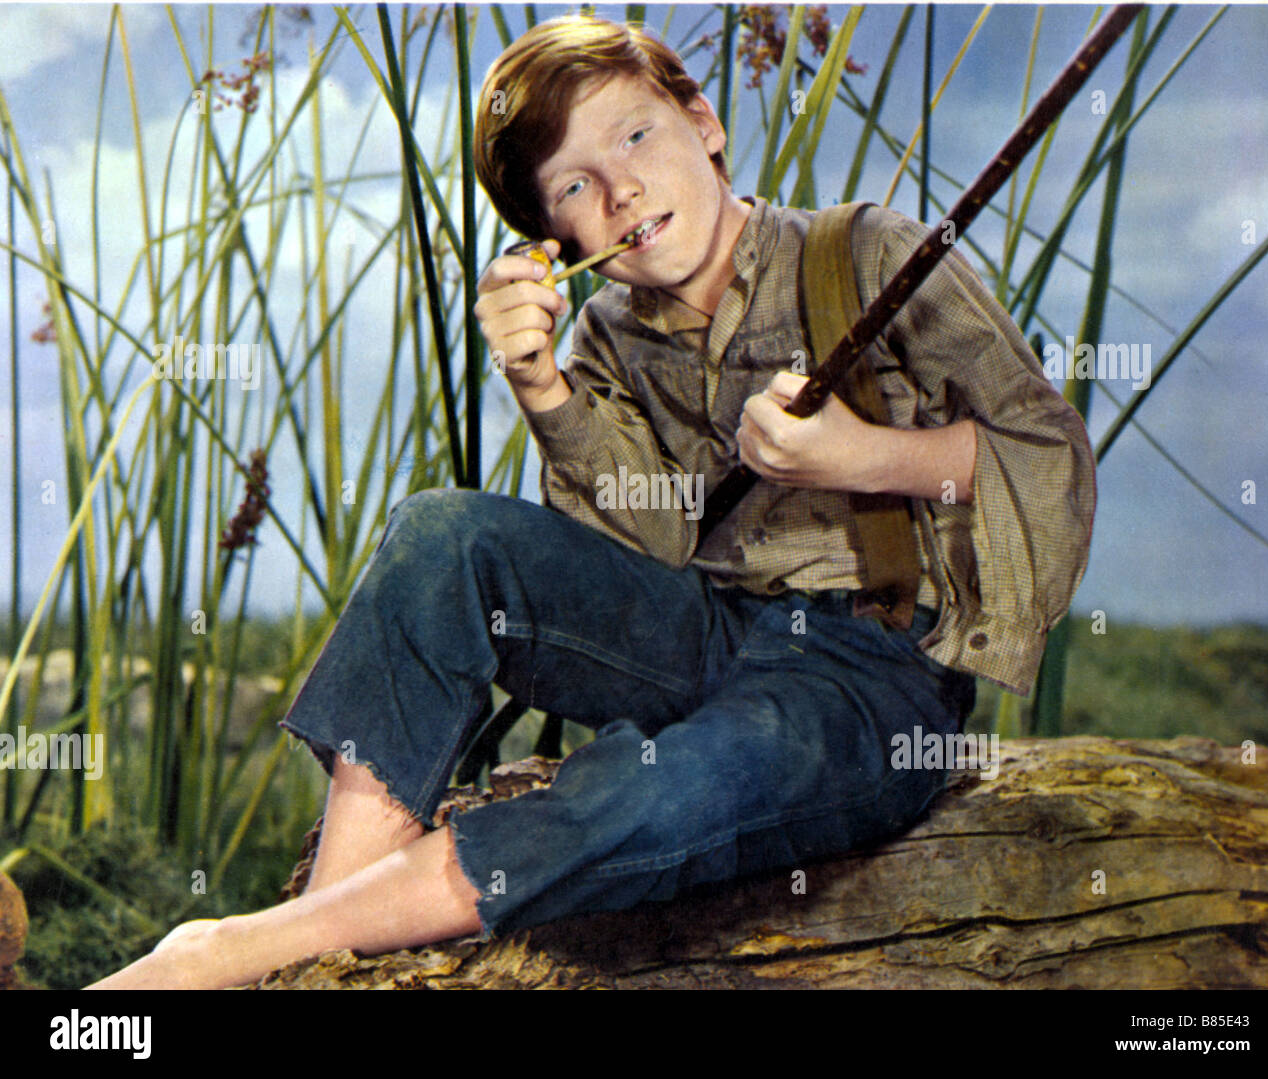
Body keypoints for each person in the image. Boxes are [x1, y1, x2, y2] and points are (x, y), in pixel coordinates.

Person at [87, 14, 1094, 990]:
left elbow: (1045, 452)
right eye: (575, 183)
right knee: (442, 533)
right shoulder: (605, 338)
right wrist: (541, 389)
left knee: (682, 780)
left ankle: (223, 953)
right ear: (557, 236)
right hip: (695, 634)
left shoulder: (864, 251)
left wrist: (862, 455)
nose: (620, 189)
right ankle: (316, 945)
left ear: (704, 122)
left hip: (865, 675)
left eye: (637, 134)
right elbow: (640, 547)